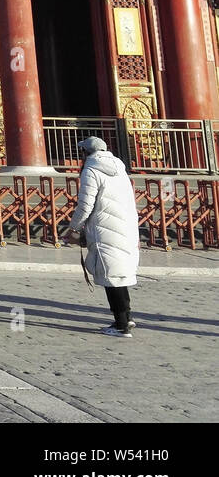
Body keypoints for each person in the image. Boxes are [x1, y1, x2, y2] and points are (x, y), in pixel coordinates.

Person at [64, 136, 139, 337]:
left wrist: (73, 228)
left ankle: (121, 324)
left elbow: (85, 204)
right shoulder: (120, 169)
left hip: (104, 228)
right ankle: (127, 317)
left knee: (109, 276)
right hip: (124, 226)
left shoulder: (91, 169)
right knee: (118, 275)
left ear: (86, 153)